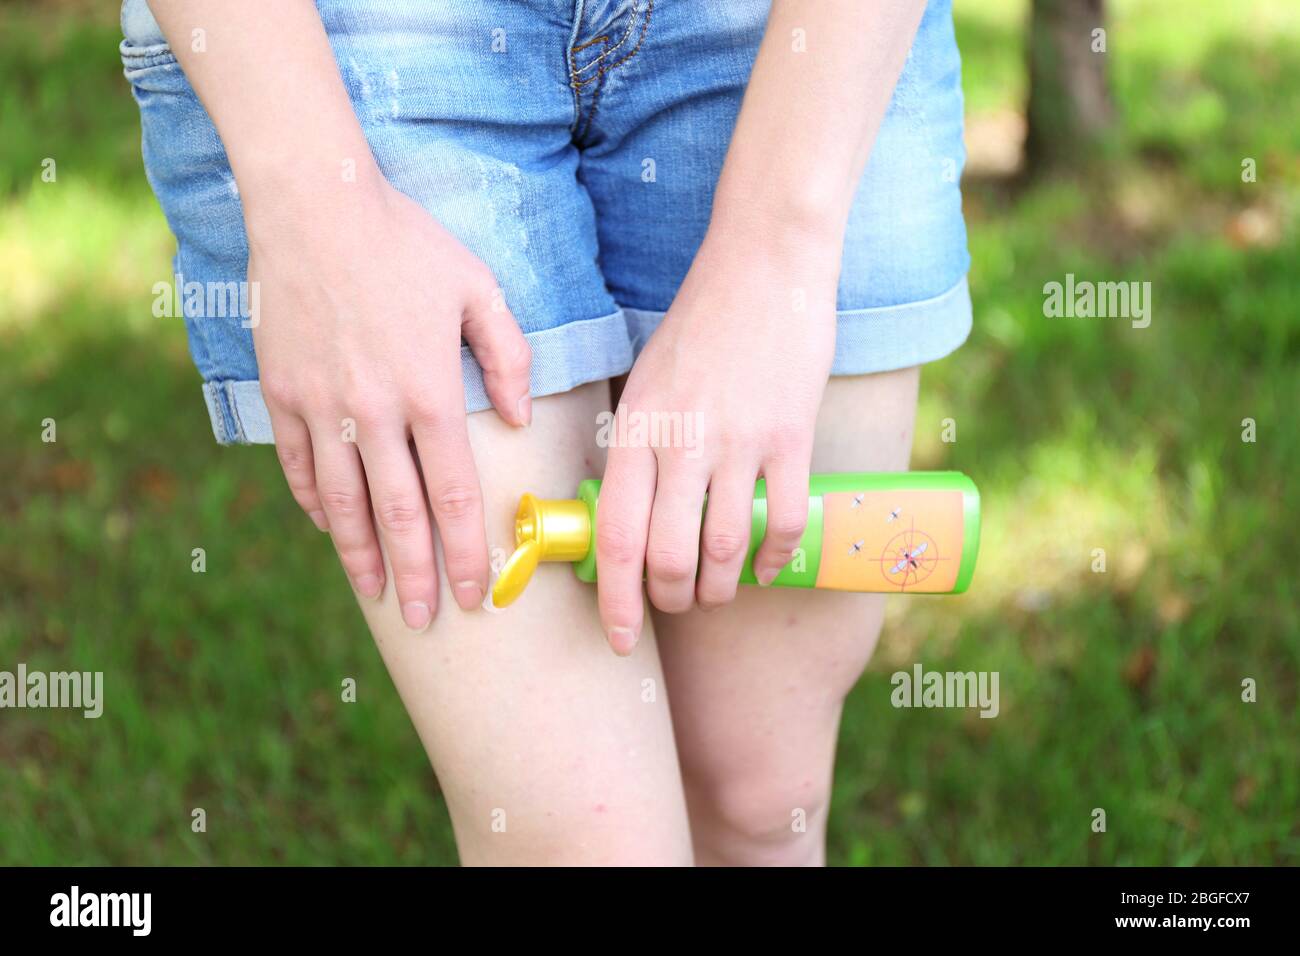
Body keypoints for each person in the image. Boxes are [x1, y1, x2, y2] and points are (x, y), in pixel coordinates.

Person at [121, 0, 972, 865]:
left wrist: (775, 251)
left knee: (759, 802)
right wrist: (311, 198)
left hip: (799, 39)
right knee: (590, 842)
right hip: (362, 41)